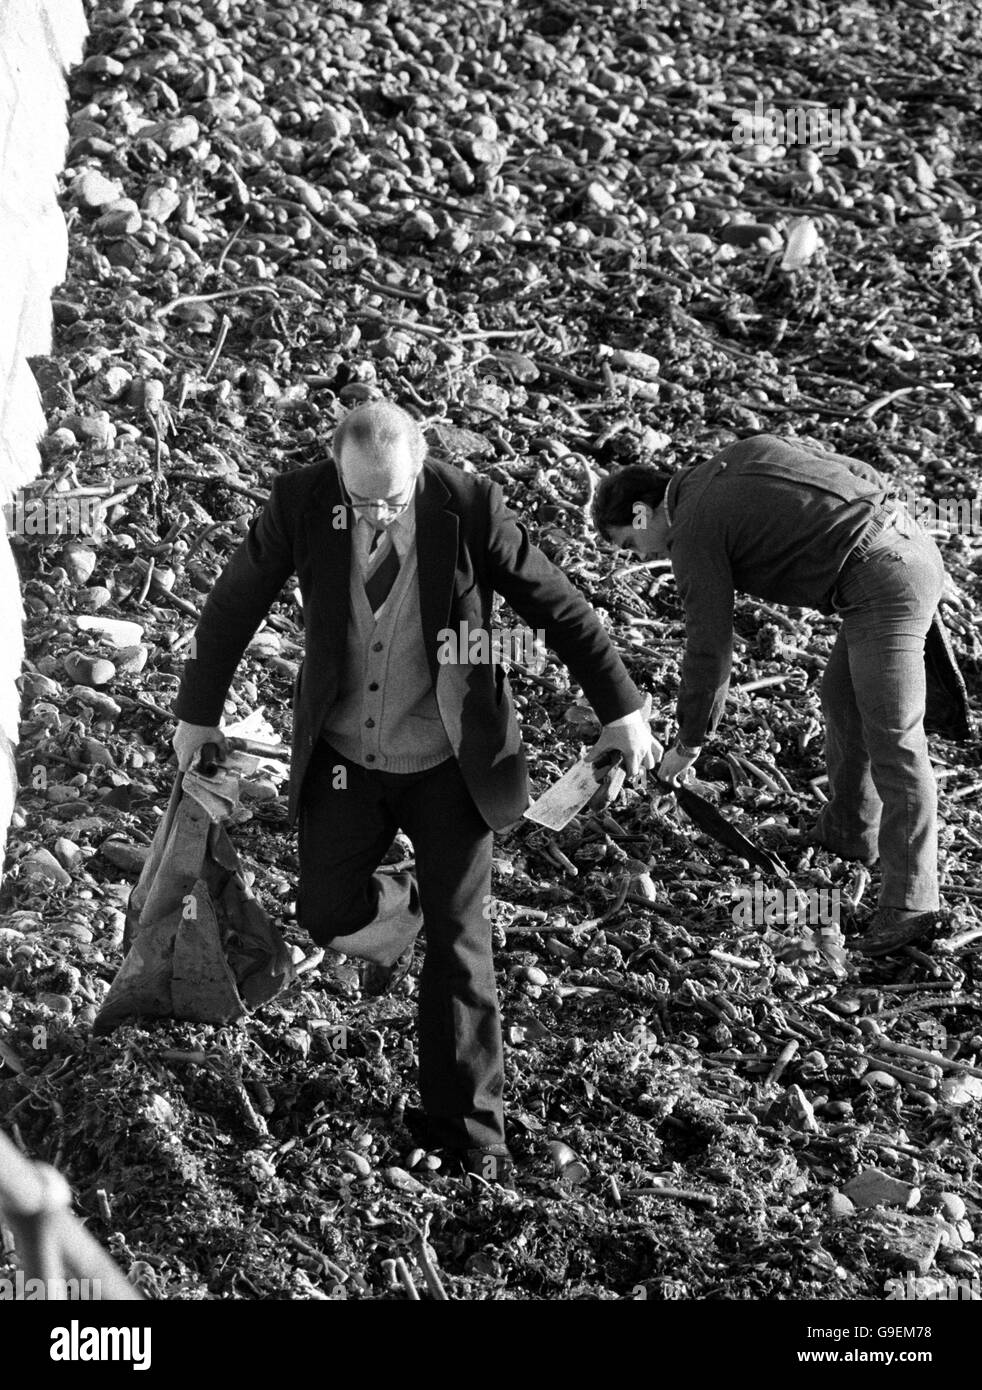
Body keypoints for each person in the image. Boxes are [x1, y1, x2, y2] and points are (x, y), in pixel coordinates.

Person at [172, 401, 658, 1183]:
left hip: (450, 766)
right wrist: (197, 715)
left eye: (392, 501)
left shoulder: (467, 506)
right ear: (336, 468)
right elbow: (234, 603)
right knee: (325, 912)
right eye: (361, 501)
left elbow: (556, 606)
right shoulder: (300, 501)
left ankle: (471, 1132)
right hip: (344, 758)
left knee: (463, 953)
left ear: (421, 466)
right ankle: (408, 904)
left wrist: (622, 711)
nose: (377, 515)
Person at [591, 432, 948, 958]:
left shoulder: (691, 528)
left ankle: (914, 900)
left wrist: (689, 741)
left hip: (883, 579)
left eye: (627, 543)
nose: (639, 554)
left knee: (894, 734)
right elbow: (857, 469)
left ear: (643, 514)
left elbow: (709, 646)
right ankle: (849, 832)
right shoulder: (735, 458)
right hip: (897, 549)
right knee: (842, 700)